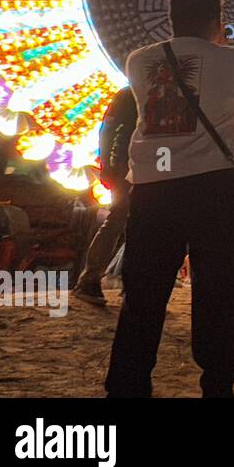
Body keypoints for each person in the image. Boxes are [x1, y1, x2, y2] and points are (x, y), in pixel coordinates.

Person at [105, 0, 234, 397]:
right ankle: (217, 383)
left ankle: (127, 383)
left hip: (152, 189)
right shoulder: (231, 60)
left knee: (143, 294)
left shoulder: (138, 61)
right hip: (213, 187)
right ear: (215, 22)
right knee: (217, 292)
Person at [73, 87, 137, 305]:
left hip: (145, 165)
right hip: (126, 166)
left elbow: (107, 130)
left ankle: (131, 284)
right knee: (118, 220)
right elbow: (107, 131)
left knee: (132, 224)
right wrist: (107, 165)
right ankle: (90, 279)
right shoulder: (130, 94)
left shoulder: (137, 91)